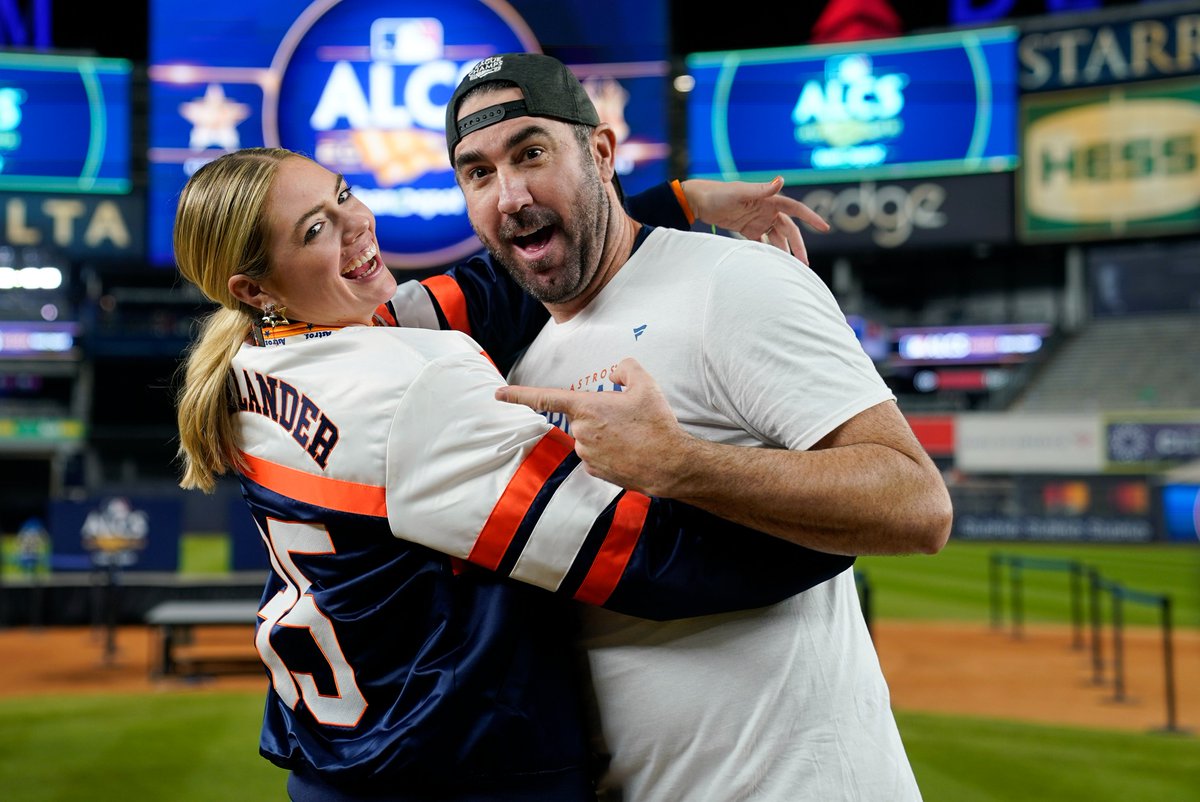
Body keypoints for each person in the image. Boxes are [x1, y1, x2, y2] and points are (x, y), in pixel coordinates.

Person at [171, 146, 851, 801]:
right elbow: (639, 555)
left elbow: (488, 289)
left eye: (343, 195)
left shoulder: (256, 362)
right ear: (253, 288)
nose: (356, 224)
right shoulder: (408, 382)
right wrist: (842, 513)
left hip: (342, 762)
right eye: (317, 227)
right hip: (454, 769)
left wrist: (678, 202)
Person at [443, 53, 954, 801]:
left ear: (602, 153)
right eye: (478, 173)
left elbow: (917, 504)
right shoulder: (523, 361)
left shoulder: (735, 282)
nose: (511, 195)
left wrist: (680, 463)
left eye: (531, 152)